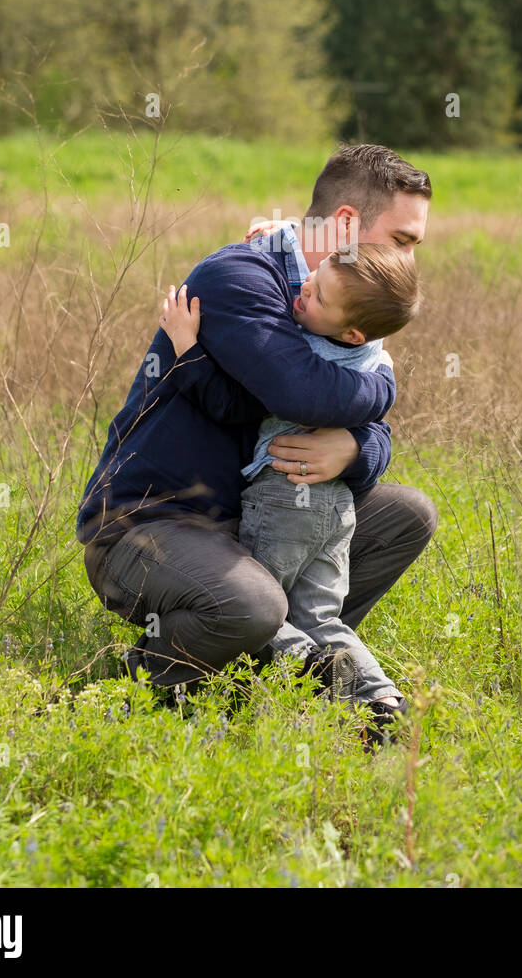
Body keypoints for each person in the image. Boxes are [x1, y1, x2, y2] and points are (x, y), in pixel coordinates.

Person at [77, 143, 437, 720]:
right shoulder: (241, 278)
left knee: (407, 516)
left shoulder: (344, 299)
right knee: (251, 604)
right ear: (345, 224)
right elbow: (300, 394)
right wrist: (384, 393)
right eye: (401, 241)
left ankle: (299, 665)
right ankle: (132, 686)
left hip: (260, 515)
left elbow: (363, 417)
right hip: (155, 521)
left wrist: (356, 446)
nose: (408, 261)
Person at [158, 237, 420, 729]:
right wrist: (281, 235)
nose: (302, 289)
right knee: (323, 616)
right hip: (336, 506)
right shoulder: (373, 355)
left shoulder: (304, 352)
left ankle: (310, 669)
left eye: (319, 296)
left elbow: (228, 405)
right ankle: (384, 703)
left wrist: (187, 349)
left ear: (351, 332)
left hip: (283, 499)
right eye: (313, 276)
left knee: (264, 612)